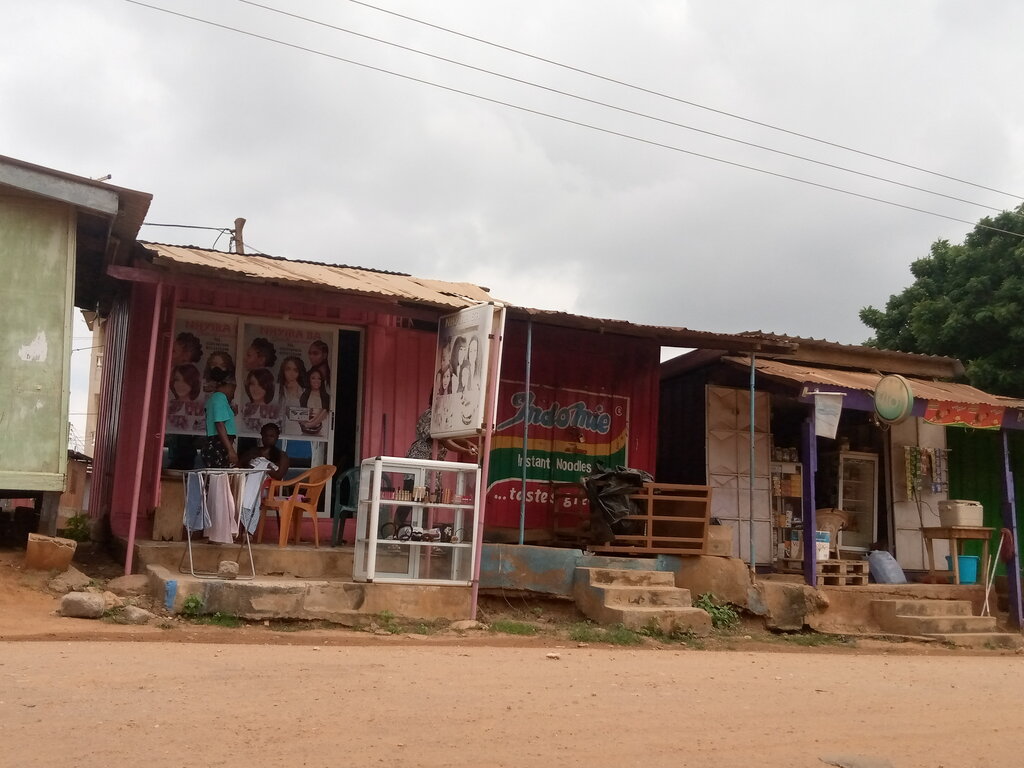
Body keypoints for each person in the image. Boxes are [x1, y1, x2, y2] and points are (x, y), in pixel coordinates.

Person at [201, 366, 238, 468]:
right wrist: (230, 450)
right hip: (218, 446)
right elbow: (219, 424)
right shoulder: (219, 398)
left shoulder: (219, 399)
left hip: (219, 445)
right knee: (217, 482)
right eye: (234, 387)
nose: (234, 391)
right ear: (228, 385)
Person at [277, 356, 308, 435]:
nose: (291, 373)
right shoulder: (277, 390)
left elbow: (306, 415)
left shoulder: (304, 392)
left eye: (295, 370)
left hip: (298, 433)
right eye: (288, 369)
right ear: (283, 371)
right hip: (278, 433)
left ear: (299, 372)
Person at [299, 368, 330, 436]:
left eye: (319, 378)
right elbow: (301, 413)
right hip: (306, 431)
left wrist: (311, 424)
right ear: (309, 380)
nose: (316, 381)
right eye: (313, 378)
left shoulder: (326, 396)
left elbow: (325, 412)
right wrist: (305, 423)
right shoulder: (304, 395)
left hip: (322, 430)